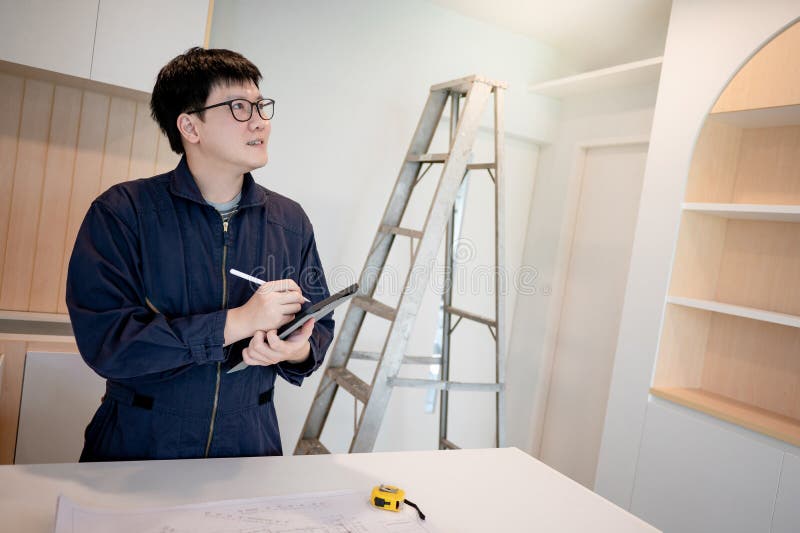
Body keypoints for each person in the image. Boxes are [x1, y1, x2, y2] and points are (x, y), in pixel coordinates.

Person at [66, 47, 334, 461]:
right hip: (140, 448)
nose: (260, 120)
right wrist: (237, 322)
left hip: (249, 447)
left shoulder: (290, 220)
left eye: (261, 106)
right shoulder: (123, 213)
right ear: (190, 126)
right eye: (239, 107)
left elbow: (320, 321)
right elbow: (108, 343)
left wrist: (295, 349)